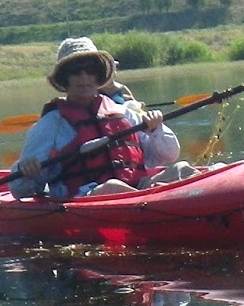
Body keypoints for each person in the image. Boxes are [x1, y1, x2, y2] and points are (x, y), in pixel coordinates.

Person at [11, 37, 182, 198]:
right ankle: (156, 202)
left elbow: (169, 155)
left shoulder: (123, 112)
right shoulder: (51, 125)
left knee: (182, 169)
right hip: (86, 196)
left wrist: (156, 129)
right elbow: (20, 190)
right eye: (75, 71)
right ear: (65, 78)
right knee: (112, 187)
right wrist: (26, 170)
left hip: (138, 188)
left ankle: (158, 200)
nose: (84, 77)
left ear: (98, 75)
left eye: (90, 70)